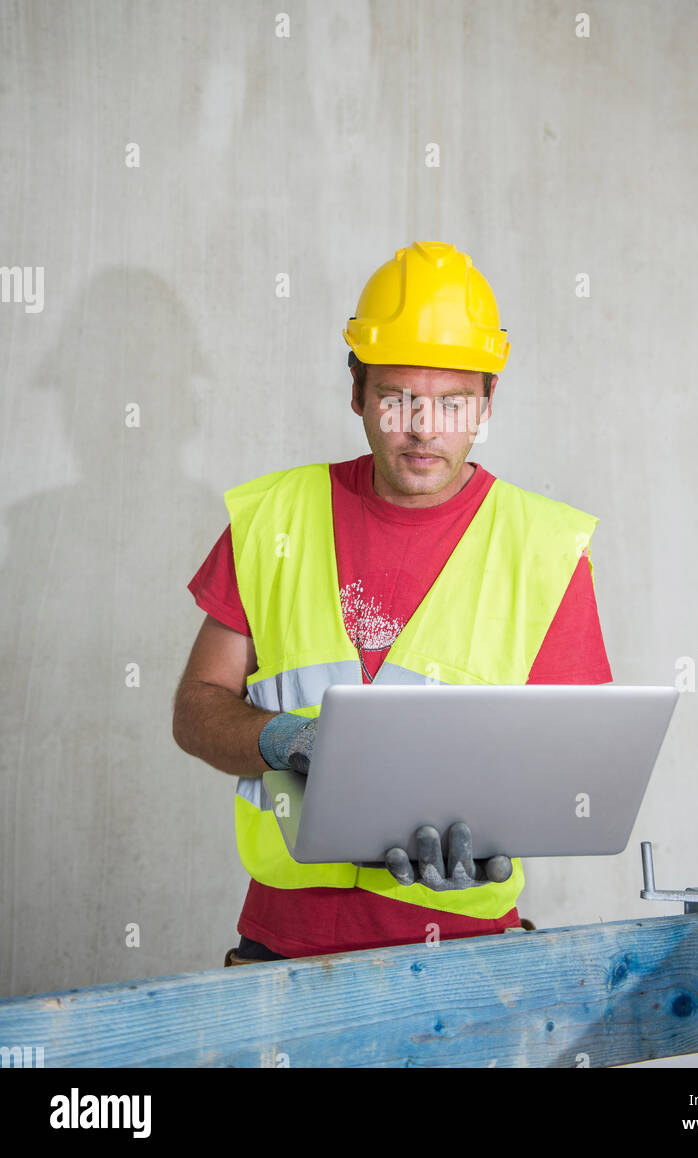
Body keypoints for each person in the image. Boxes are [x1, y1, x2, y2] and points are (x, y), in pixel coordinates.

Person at [172, 240, 612, 965]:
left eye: (451, 402)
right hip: (280, 950)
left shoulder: (544, 546)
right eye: (395, 397)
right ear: (356, 394)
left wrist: (495, 829)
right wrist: (283, 740)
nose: (421, 428)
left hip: (466, 959)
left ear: (487, 404)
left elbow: (579, 768)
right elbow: (196, 709)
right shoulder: (272, 518)